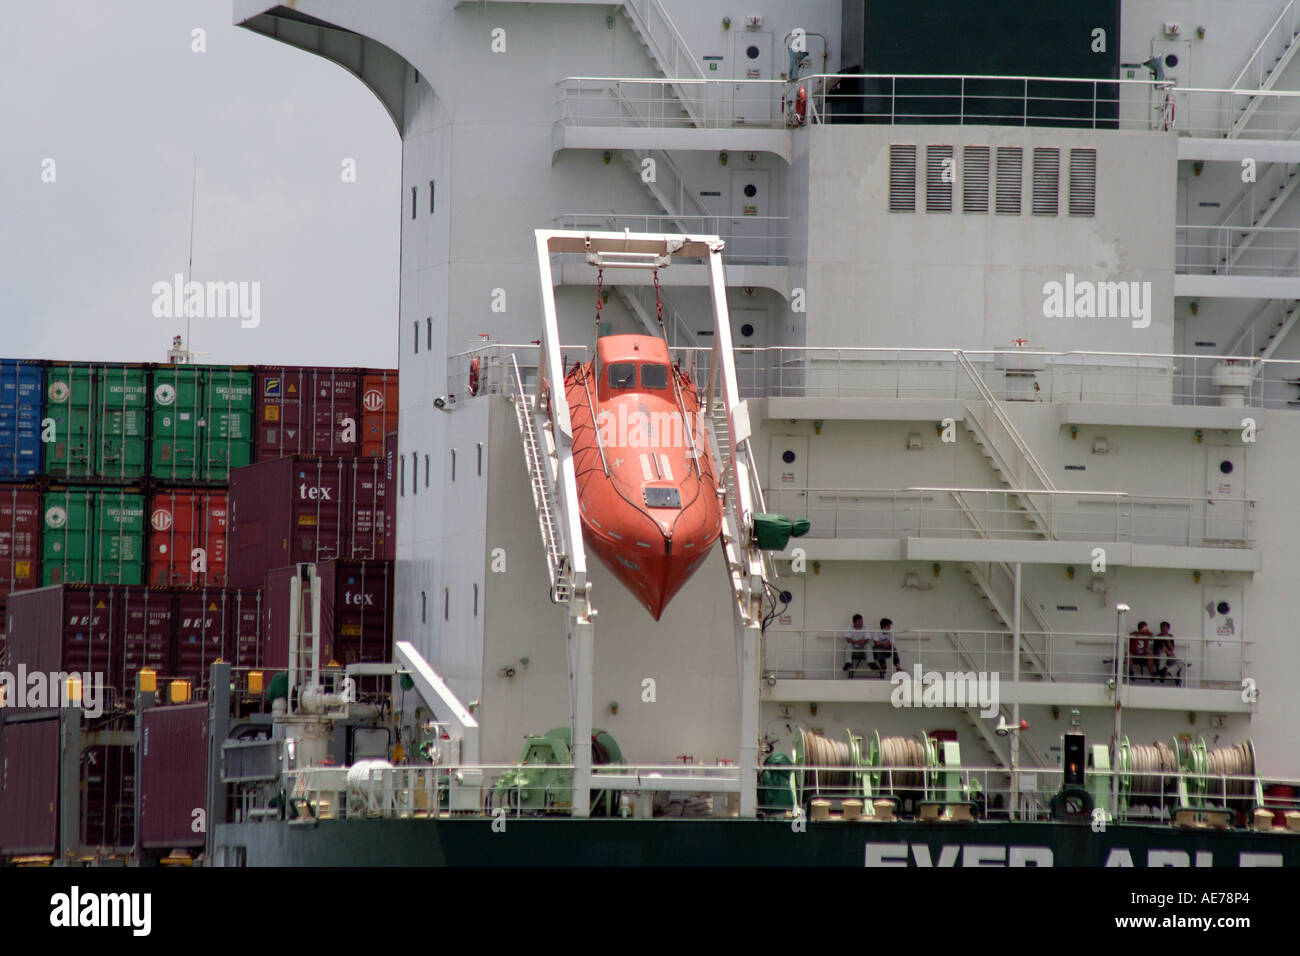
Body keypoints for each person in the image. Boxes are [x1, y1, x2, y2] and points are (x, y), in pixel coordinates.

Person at [1153, 621, 1183, 686]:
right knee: (1163, 655)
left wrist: (1167, 639)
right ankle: (1163, 672)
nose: (1163, 629)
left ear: (1168, 629)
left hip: (1170, 657)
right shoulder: (1157, 637)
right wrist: (1165, 651)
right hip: (1162, 657)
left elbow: (1172, 649)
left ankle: (1167, 672)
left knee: (1180, 662)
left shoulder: (1170, 636)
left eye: (1165, 628)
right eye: (1162, 627)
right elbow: (1155, 650)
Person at [841, 614, 870, 678]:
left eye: (861, 622)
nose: (861, 623)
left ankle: (871, 663)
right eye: (859, 622)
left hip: (862, 647)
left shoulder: (865, 628)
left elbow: (867, 639)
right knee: (848, 645)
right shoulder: (849, 627)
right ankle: (848, 663)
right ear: (854, 622)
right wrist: (857, 641)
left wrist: (862, 641)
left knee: (868, 645)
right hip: (853, 647)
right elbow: (848, 639)